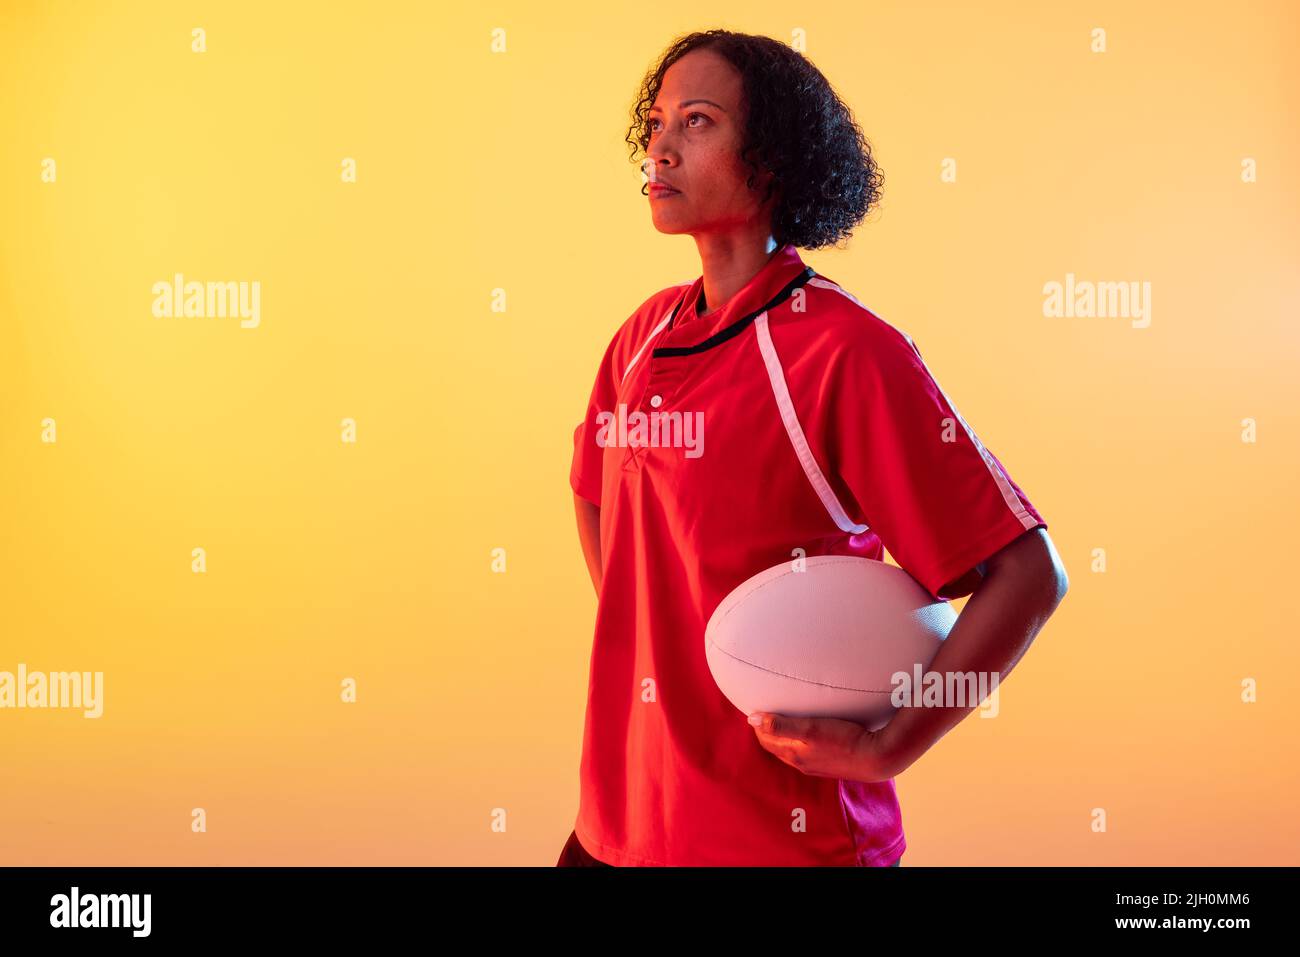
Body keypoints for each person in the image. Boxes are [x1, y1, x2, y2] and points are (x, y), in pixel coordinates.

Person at [563, 30, 1069, 867]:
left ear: (770, 159)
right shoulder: (638, 341)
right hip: (615, 828)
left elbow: (1028, 575)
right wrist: (663, 634)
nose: (660, 145)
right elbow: (592, 490)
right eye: (656, 123)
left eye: (697, 121)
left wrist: (892, 745)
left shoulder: (843, 351)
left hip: (781, 841)